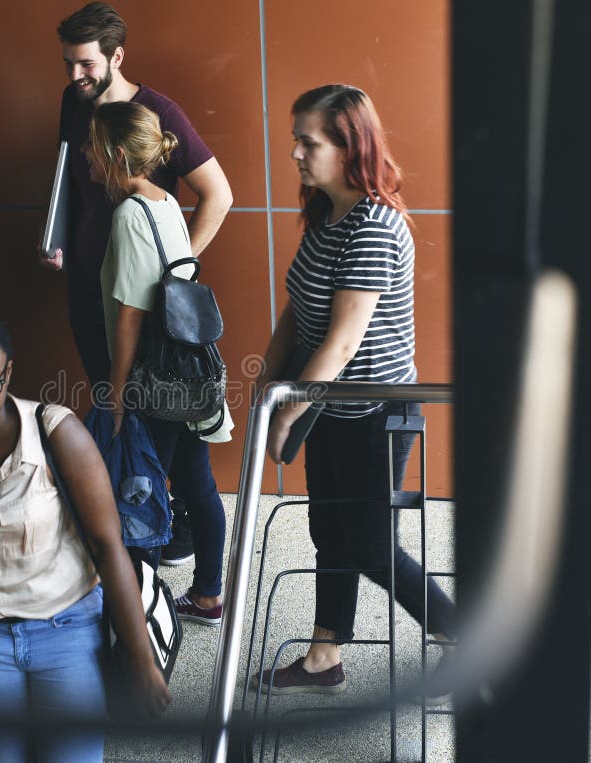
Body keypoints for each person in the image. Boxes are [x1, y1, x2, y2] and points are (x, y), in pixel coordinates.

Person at [253, 85, 456, 698]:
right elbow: (297, 309)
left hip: (373, 410)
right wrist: (266, 381)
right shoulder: (326, 215)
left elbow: (341, 344)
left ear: (349, 148)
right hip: (329, 403)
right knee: (328, 530)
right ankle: (324, 656)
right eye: (296, 140)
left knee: (369, 545)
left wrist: (285, 414)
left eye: (307, 142)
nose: (295, 153)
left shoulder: (373, 226)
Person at [0, 308, 169, 762]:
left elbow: (109, 548)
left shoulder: (57, 434)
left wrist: (141, 659)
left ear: (8, 372)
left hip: (68, 628)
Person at [41, 1, 233, 566]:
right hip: (90, 293)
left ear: (116, 56)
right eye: (68, 63)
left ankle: (148, 547)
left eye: (86, 64)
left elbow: (219, 195)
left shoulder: (160, 113)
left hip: (141, 315)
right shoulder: (74, 102)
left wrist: (171, 278)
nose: (75, 75)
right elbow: (69, 178)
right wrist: (56, 236)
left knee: (143, 426)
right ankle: (157, 542)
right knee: (132, 428)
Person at [84, 100, 227, 626]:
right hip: (187, 373)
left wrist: (117, 394)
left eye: (92, 146)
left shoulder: (128, 214)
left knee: (137, 491)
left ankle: (136, 611)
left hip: (152, 379)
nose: (85, 154)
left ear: (117, 156)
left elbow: (130, 316)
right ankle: (208, 596)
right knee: (198, 483)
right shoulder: (166, 202)